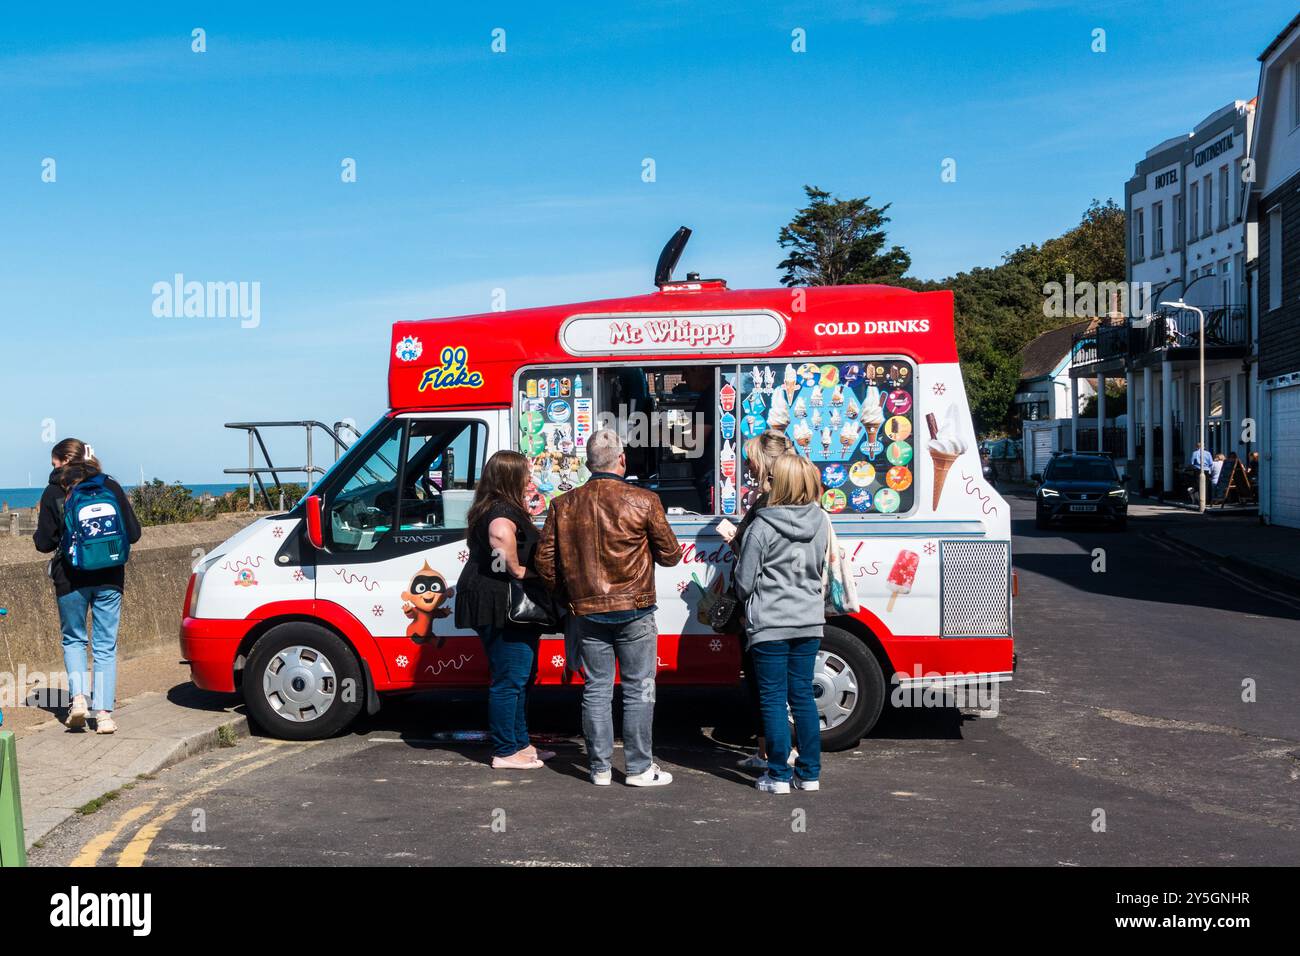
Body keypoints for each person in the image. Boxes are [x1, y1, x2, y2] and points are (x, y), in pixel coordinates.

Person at [535, 428, 682, 787]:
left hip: (586, 611)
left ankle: (599, 768)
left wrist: (567, 593)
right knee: (639, 688)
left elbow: (544, 562)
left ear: (588, 464)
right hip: (636, 607)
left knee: (596, 689)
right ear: (622, 459)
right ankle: (638, 768)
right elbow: (672, 555)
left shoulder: (563, 504)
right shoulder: (645, 501)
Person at [32, 439, 141, 734]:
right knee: (105, 646)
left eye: (55, 464)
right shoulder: (110, 485)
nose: (53, 470)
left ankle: (78, 699)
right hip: (110, 577)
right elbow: (133, 534)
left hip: (71, 579)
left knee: (74, 640)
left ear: (64, 461)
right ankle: (104, 714)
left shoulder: (54, 490)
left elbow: (44, 543)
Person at [733, 453, 828, 794]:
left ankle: (778, 774)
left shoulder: (761, 525)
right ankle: (809, 773)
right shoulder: (821, 521)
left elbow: (744, 582)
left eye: (771, 476)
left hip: (771, 623)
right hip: (809, 621)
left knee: (772, 699)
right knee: (802, 696)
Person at [455, 450, 554, 770]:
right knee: (510, 678)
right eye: (525, 474)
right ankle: (505, 750)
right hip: (500, 602)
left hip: (498, 600)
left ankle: (520, 744)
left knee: (521, 676)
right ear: (510, 477)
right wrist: (517, 569)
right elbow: (499, 532)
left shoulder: (495, 505)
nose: (530, 479)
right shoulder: (500, 509)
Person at [720, 429, 795, 772]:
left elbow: (753, 565)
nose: (747, 468)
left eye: (751, 461)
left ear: (766, 463)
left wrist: (736, 541)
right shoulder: (799, 501)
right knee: (787, 688)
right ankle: (779, 754)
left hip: (763, 608)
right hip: (792, 605)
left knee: (765, 687)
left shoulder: (767, 506)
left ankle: (776, 758)